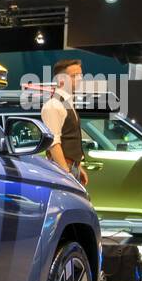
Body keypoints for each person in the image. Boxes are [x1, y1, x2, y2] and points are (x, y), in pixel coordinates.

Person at [39, 57, 87, 185]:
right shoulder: (54, 105)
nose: (79, 79)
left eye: (80, 75)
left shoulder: (68, 103)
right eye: (74, 76)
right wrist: (66, 172)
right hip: (62, 170)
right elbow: (53, 143)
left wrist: (78, 167)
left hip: (72, 167)